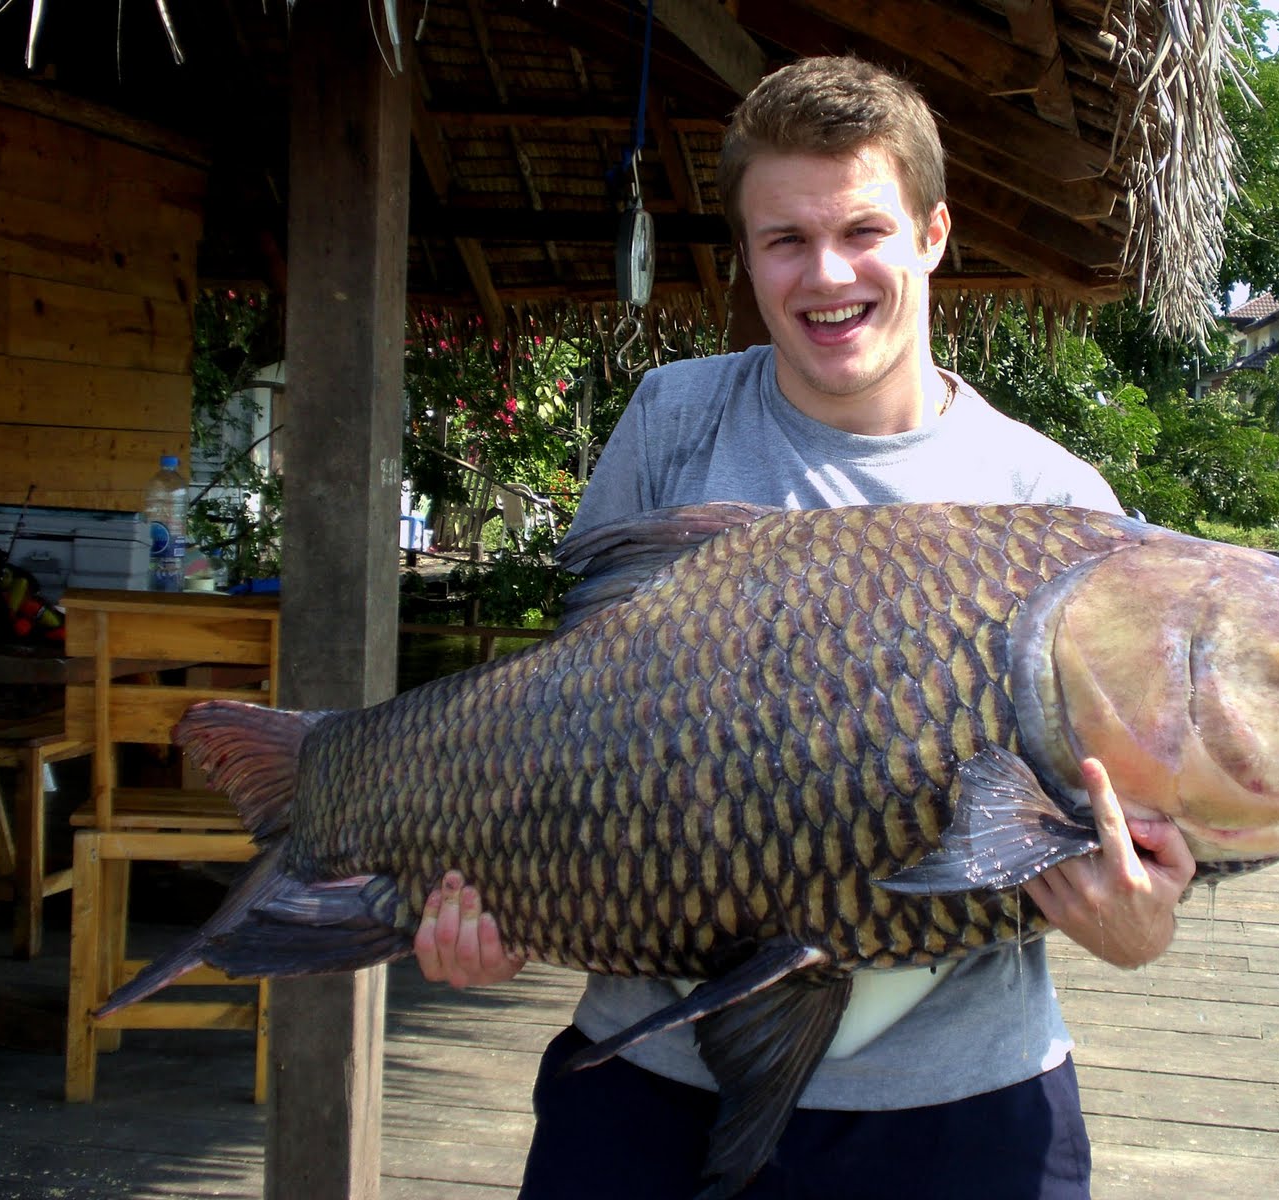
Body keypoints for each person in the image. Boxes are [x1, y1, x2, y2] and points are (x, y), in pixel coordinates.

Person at [416, 55, 1196, 1199]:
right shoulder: (673, 421)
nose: (825, 275)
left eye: (862, 231)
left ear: (932, 234)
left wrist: (1137, 925)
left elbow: (1143, 881)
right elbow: (566, 708)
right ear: (745, 254)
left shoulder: (1056, 505)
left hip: (957, 1107)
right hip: (651, 1071)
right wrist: (504, 904)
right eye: (784, 239)